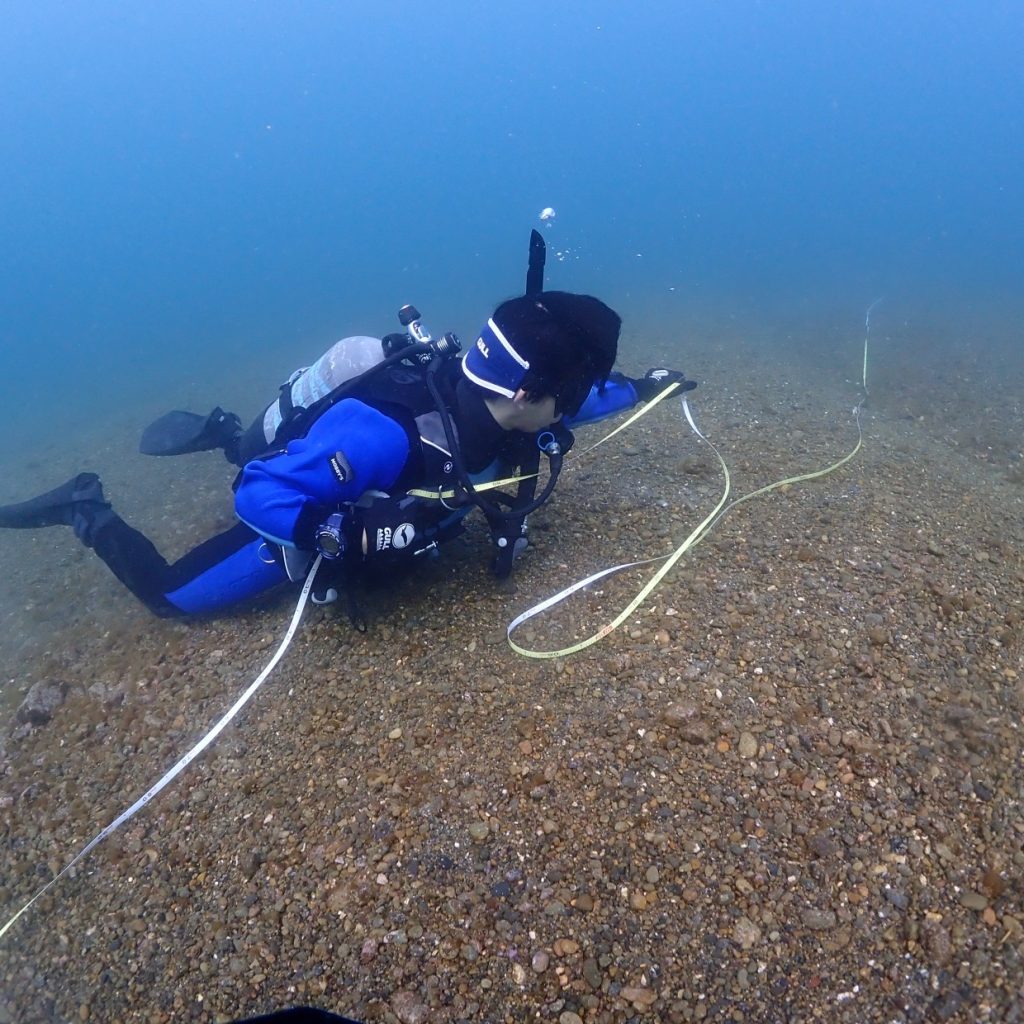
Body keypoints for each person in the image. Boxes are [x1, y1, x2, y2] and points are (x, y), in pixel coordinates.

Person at [0, 291, 693, 621]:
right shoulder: (381, 436)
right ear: (525, 390)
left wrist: (643, 387)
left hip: (363, 471)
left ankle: (229, 429)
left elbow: (583, 397)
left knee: (297, 459)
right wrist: (331, 531)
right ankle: (86, 508)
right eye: (566, 392)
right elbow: (256, 492)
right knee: (174, 600)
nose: (576, 404)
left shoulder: (513, 394)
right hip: (314, 496)